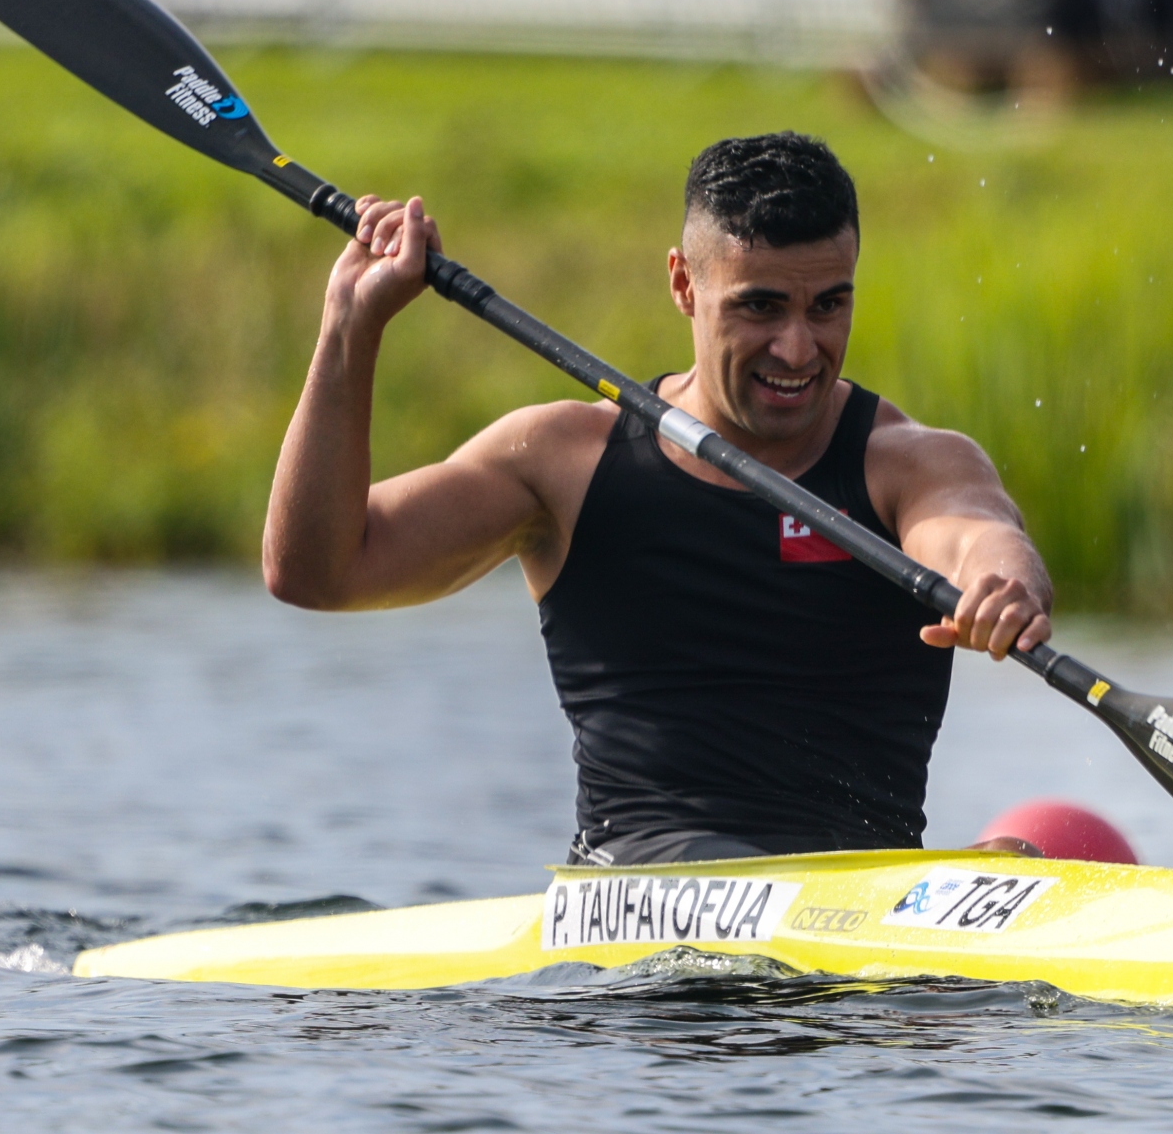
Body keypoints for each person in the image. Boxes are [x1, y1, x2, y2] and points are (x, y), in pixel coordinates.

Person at [263, 132, 1052, 865]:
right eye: (760, 306)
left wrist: (1003, 582)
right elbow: (317, 572)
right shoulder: (562, 461)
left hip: (856, 926)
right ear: (683, 284)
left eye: (828, 305)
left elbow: (977, 530)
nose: (798, 347)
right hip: (629, 926)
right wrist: (348, 327)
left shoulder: (904, 463)